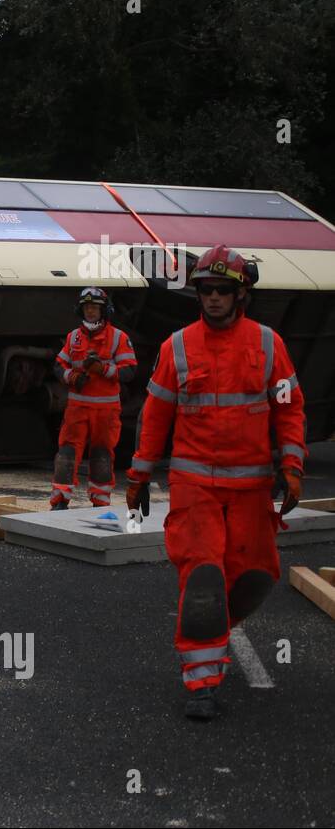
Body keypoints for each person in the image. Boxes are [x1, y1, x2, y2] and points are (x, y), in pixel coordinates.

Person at [124, 245, 305, 720]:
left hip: (251, 488)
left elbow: (289, 408)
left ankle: (214, 631)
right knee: (203, 574)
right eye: (206, 290)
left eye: (223, 290)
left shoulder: (269, 345)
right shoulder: (177, 347)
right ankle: (202, 683)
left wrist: (293, 465)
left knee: (255, 577)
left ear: (241, 294)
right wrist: (139, 475)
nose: (214, 299)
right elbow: (156, 415)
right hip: (194, 484)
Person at [49, 287, 137, 509]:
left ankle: (100, 500)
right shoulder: (74, 337)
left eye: (95, 308)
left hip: (106, 412)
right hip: (77, 408)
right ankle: (60, 499)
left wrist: (102, 369)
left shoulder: (118, 338)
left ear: (103, 311)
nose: (90, 312)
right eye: (87, 307)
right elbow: (59, 366)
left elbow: (129, 372)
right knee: (67, 453)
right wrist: (73, 378)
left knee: (102, 455)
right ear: (81, 310)